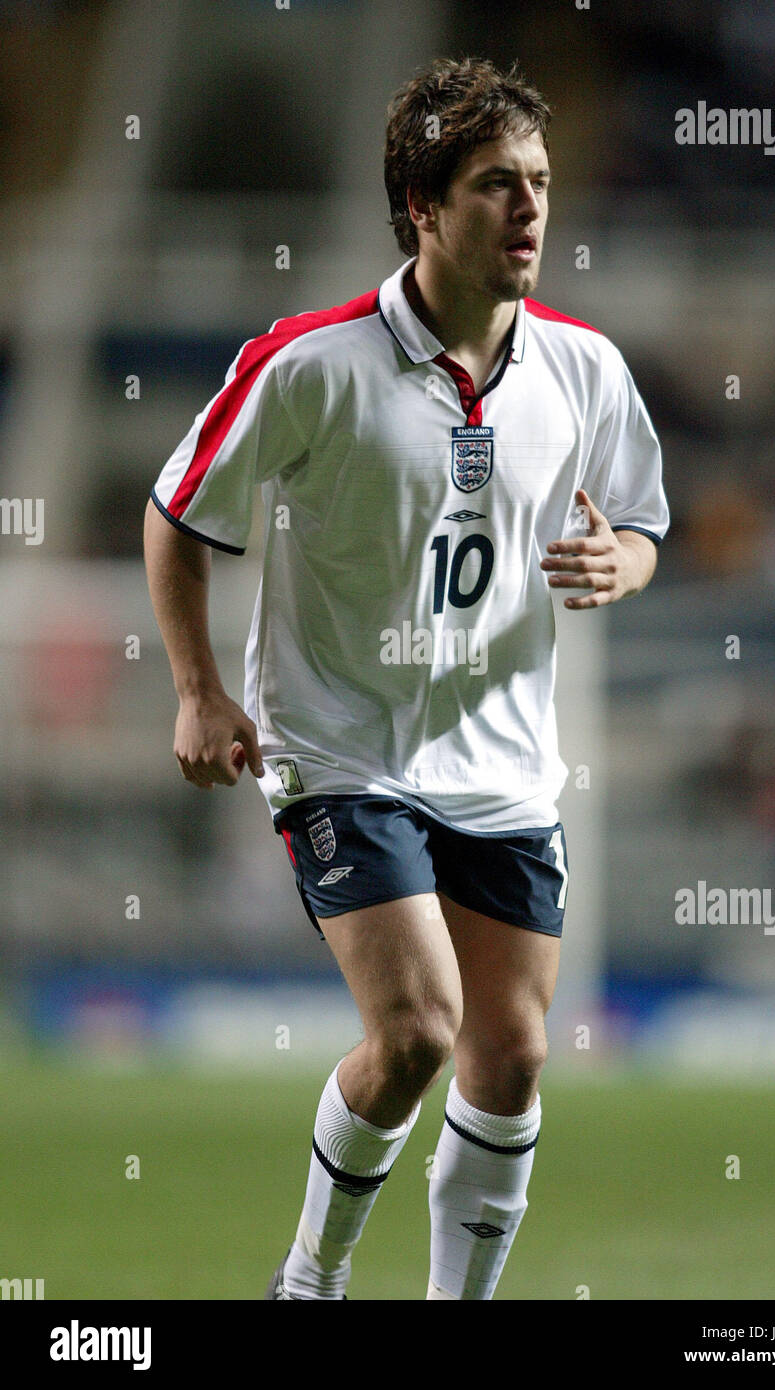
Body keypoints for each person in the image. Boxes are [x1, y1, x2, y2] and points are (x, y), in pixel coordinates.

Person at [143, 56, 668, 1301]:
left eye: (539, 181)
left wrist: (621, 563)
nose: (532, 208)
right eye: (498, 184)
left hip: (502, 764)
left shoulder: (585, 368)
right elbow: (176, 512)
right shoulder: (310, 364)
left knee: (515, 1056)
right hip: (342, 753)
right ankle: (310, 1281)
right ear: (423, 209)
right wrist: (198, 689)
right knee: (419, 1030)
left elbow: (645, 523)